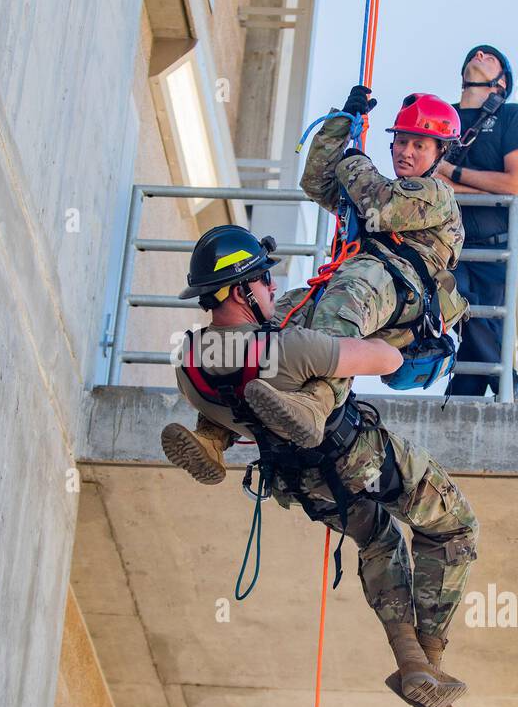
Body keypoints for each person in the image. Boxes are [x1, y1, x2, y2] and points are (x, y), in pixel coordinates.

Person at [160, 226, 479, 707]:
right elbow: (387, 361)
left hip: (299, 483)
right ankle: (430, 657)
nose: (271, 290)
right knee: (455, 527)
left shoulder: (188, 361)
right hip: (357, 456)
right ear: (244, 290)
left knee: (379, 542)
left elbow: (238, 400)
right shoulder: (286, 349)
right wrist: (361, 342)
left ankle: (413, 666)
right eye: (265, 282)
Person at [163, 84, 471, 479]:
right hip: (354, 278)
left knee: (337, 319)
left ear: (439, 153)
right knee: (270, 327)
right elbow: (316, 183)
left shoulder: (435, 194)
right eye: (401, 141)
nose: (406, 152)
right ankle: (212, 434)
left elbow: (384, 206)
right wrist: (340, 125)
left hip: (399, 290)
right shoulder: (369, 188)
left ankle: (315, 405)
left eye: (420, 146)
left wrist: (356, 161)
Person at [435, 45, 518, 400]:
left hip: (495, 247)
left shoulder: (513, 116)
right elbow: (428, 176)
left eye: (490, 57)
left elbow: (512, 185)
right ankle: (510, 383)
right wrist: (448, 180)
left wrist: (453, 175)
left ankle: (461, 404)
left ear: (501, 82)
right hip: (449, 243)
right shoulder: (443, 117)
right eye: (474, 54)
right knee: (458, 305)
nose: (479, 54)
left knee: (478, 333)